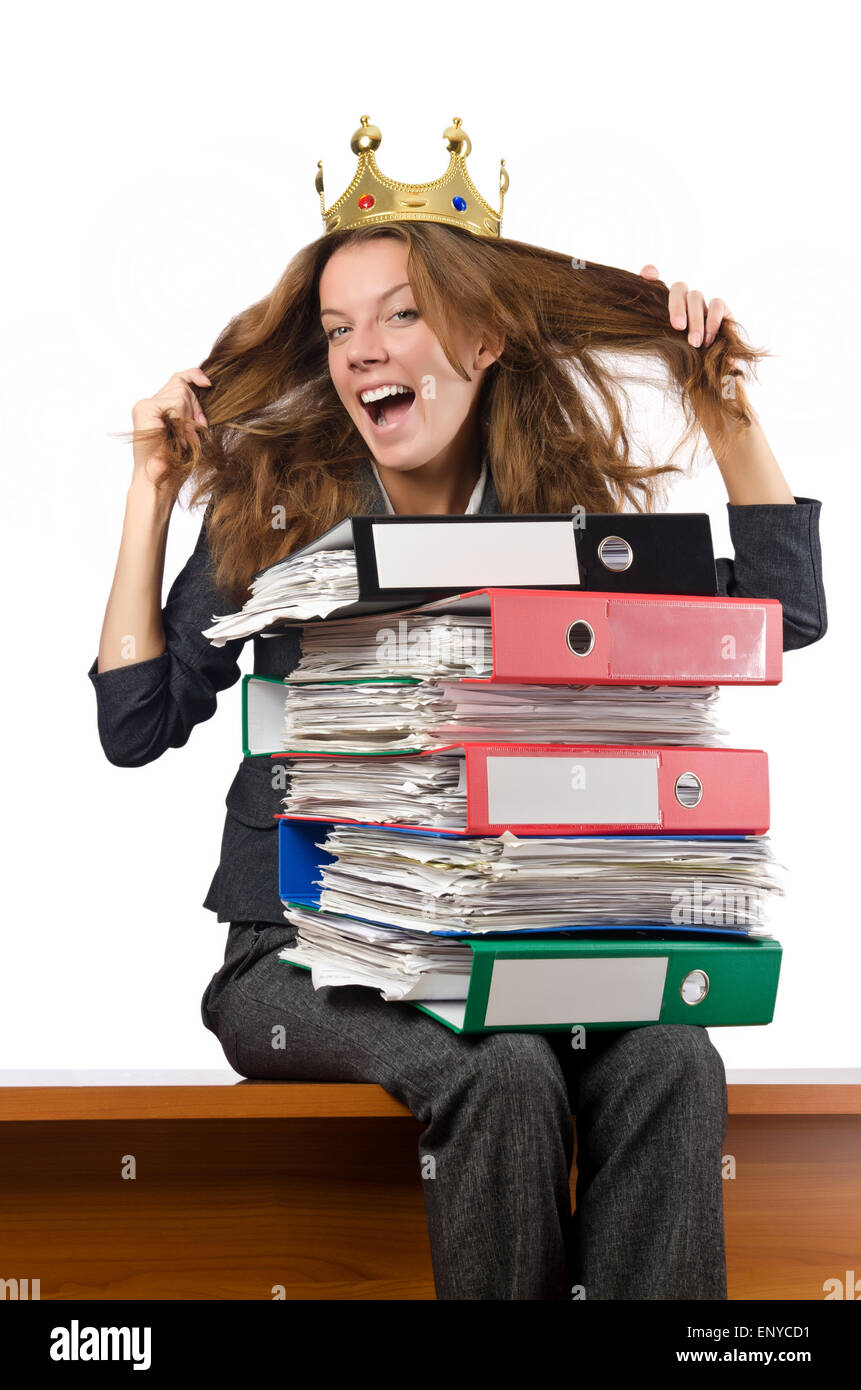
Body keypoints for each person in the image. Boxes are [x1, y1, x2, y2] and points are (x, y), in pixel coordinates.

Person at [88, 118, 826, 1300]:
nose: (362, 351)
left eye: (401, 314)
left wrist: (721, 402)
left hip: (516, 950)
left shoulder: (565, 517)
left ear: (483, 337)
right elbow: (134, 721)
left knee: (676, 1058)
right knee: (502, 1068)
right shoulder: (282, 511)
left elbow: (780, 615)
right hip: (300, 962)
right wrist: (151, 485)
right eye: (338, 330)